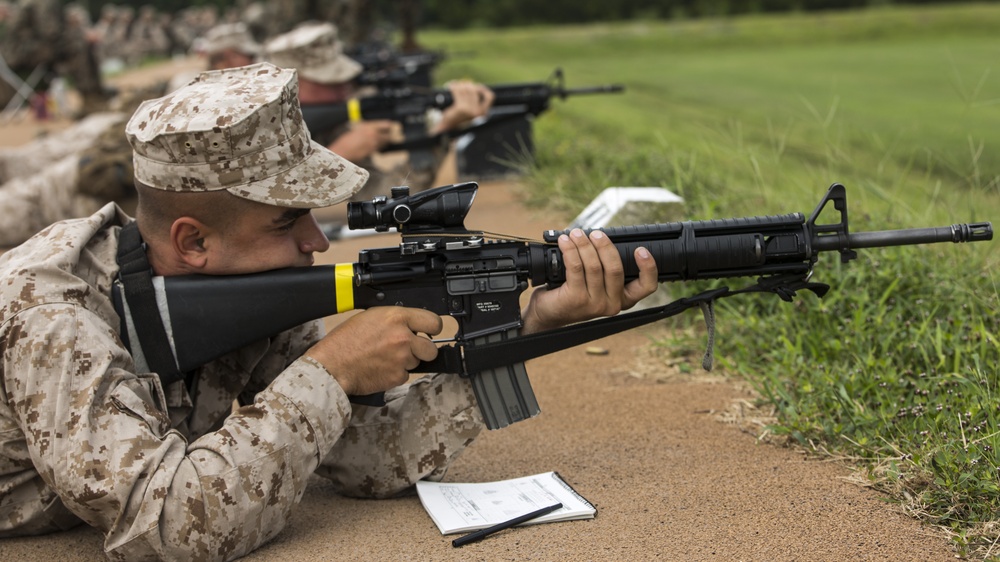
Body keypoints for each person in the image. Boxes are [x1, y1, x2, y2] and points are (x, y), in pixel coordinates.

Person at [0, 62, 659, 560]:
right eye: (290, 221)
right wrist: (330, 369)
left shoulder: (246, 284)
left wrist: (533, 326)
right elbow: (170, 522)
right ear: (192, 242)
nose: (316, 243)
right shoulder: (49, 306)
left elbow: (365, 459)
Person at [0, 22, 262, 248]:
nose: (253, 60)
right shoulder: (209, 86)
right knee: (29, 170)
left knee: (33, 181)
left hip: (114, 148)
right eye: (246, 54)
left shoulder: (222, 87)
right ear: (226, 56)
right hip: (115, 144)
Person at [263, 21, 494, 205]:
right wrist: (336, 156)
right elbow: (257, 205)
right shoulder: (253, 125)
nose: (343, 88)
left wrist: (446, 127)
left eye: (343, 79)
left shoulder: (330, 123)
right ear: (289, 83)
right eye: (328, 81)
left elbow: (385, 200)